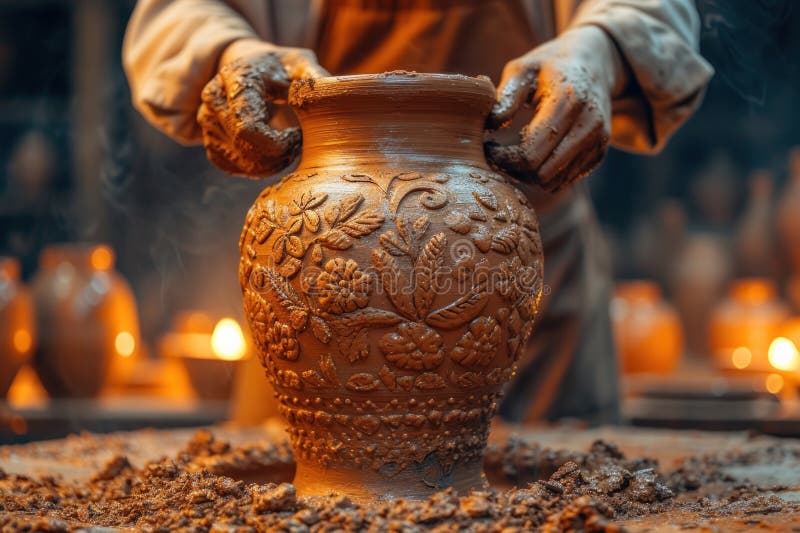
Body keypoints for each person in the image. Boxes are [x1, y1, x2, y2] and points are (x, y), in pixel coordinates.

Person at [123, 0, 713, 424]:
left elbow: (656, 12)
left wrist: (599, 45)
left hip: (534, 287)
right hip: (317, 296)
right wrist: (232, 50)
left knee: (567, 498)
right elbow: (176, 14)